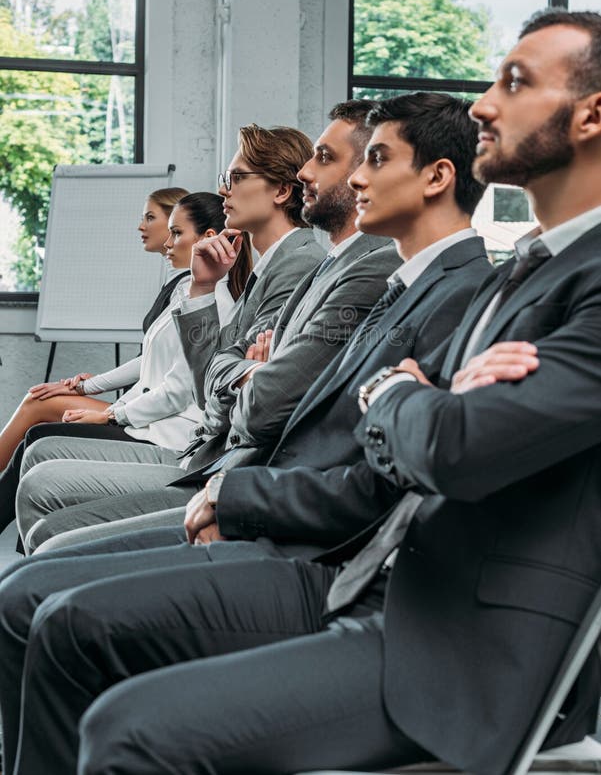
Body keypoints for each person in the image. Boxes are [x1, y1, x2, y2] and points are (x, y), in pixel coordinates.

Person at [0, 85, 497, 775]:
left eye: (364, 159)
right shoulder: (391, 277)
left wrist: (240, 495)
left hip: (305, 537)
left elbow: (284, 415)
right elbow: (239, 374)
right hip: (260, 491)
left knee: (52, 608)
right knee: (29, 585)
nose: (346, 179)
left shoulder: (426, 283)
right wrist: (249, 377)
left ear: (436, 177)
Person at [24, 91, 490, 552]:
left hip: (246, 473)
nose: (308, 170)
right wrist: (237, 349)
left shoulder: (346, 266)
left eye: (329, 158)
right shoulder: (327, 263)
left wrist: (249, 372)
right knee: (43, 482)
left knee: (48, 520)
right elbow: (220, 378)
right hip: (225, 459)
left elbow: (258, 407)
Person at [15, 123, 324, 548]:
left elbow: (241, 395)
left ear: (281, 192)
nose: (224, 191)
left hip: (215, 460)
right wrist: (201, 291)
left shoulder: (296, 266)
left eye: (235, 178)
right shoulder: (265, 267)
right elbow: (214, 382)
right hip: (203, 447)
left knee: (42, 487)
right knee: (39, 461)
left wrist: (232, 372)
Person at [0, 186, 190, 474]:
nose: (141, 226)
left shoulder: (192, 291)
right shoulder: (177, 283)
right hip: (138, 405)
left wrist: (89, 386)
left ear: (176, 221)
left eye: (150, 217)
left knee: (37, 403)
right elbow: (155, 360)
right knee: (38, 413)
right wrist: (89, 383)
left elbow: (158, 369)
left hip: (152, 418)